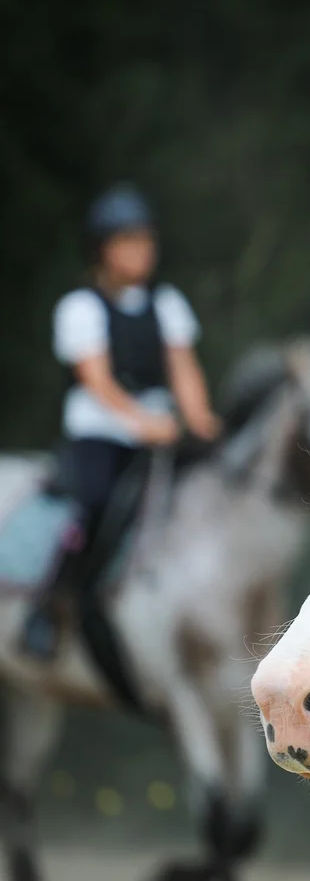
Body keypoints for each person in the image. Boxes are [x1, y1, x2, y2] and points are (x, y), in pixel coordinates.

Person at [20, 184, 221, 663]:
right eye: (128, 241)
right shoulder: (80, 307)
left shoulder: (166, 302)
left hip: (160, 428)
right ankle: (48, 606)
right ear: (103, 250)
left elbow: (183, 367)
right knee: (92, 504)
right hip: (101, 431)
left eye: (145, 240)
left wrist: (199, 417)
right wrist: (144, 423)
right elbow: (98, 381)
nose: (141, 251)